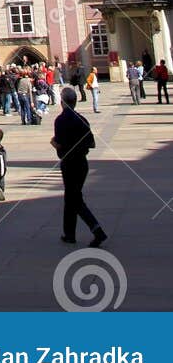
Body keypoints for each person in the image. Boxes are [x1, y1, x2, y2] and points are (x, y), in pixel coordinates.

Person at [52, 86, 106, 246]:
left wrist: (54, 143)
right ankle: (69, 234)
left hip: (69, 164)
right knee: (71, 198)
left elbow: (60, 144)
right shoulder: (82, 119)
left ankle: (97, 231)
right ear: (75, 102)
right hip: (82, 163)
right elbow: (92, 143)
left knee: (74, 199)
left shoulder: (60, 120)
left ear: (62, 102)